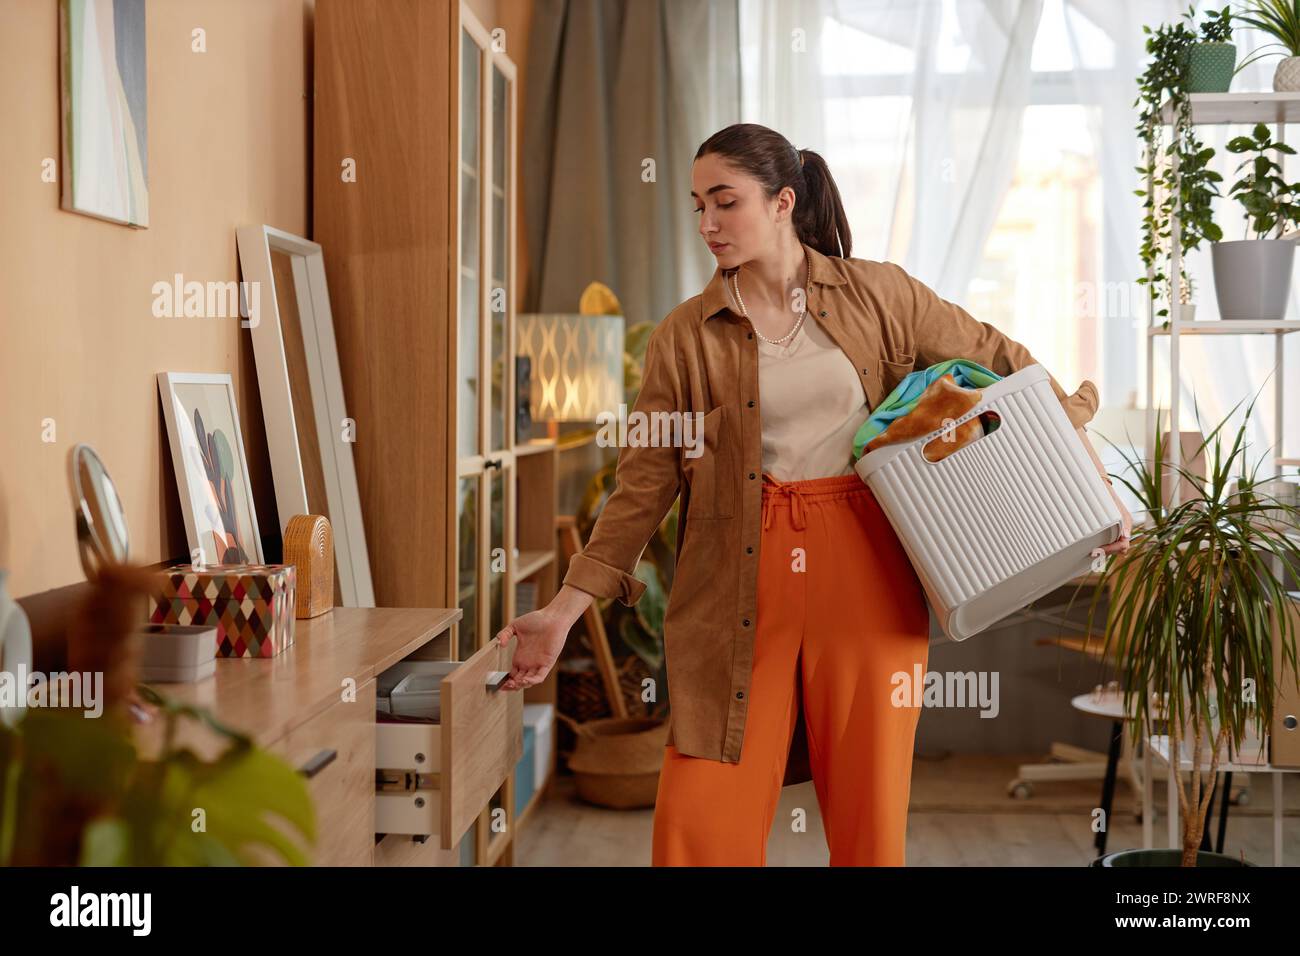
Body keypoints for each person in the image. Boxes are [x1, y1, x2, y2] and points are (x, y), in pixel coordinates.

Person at [494, 122, 1133, 866]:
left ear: (782, 202)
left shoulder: (881, 295)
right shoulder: (685, 336)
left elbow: (1011, 369)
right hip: (733, 576)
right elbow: (645, 484)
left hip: (866, 564)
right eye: (697, 206)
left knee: (869, 814)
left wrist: (1095, 487)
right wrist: (564, 611)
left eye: (724, 202)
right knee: (701, 817)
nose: (707, 224)